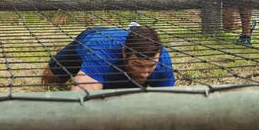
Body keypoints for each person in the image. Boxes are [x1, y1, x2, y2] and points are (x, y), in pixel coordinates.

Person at [42, 23, 175, 90]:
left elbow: (169, 102)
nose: (145, 73)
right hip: (90, 39)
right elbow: (81, 99)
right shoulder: (100, 52)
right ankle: (83, 67)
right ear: (124, 53)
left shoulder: (163, 61)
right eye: (138, 64)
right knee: (50, 79)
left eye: (151, 66)